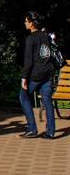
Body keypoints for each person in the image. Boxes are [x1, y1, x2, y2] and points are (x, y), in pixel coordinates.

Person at [20, 10, 58, 139]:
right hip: (47, 74)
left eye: (26, 21)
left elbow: (28, 61)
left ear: (31, 23)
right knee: (48, 102)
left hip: (35, 76)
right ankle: (50, 132)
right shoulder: (46, 35)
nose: (24, 23)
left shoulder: (31, 38)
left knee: (23, 97)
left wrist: (24, 77)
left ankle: (32, 128)